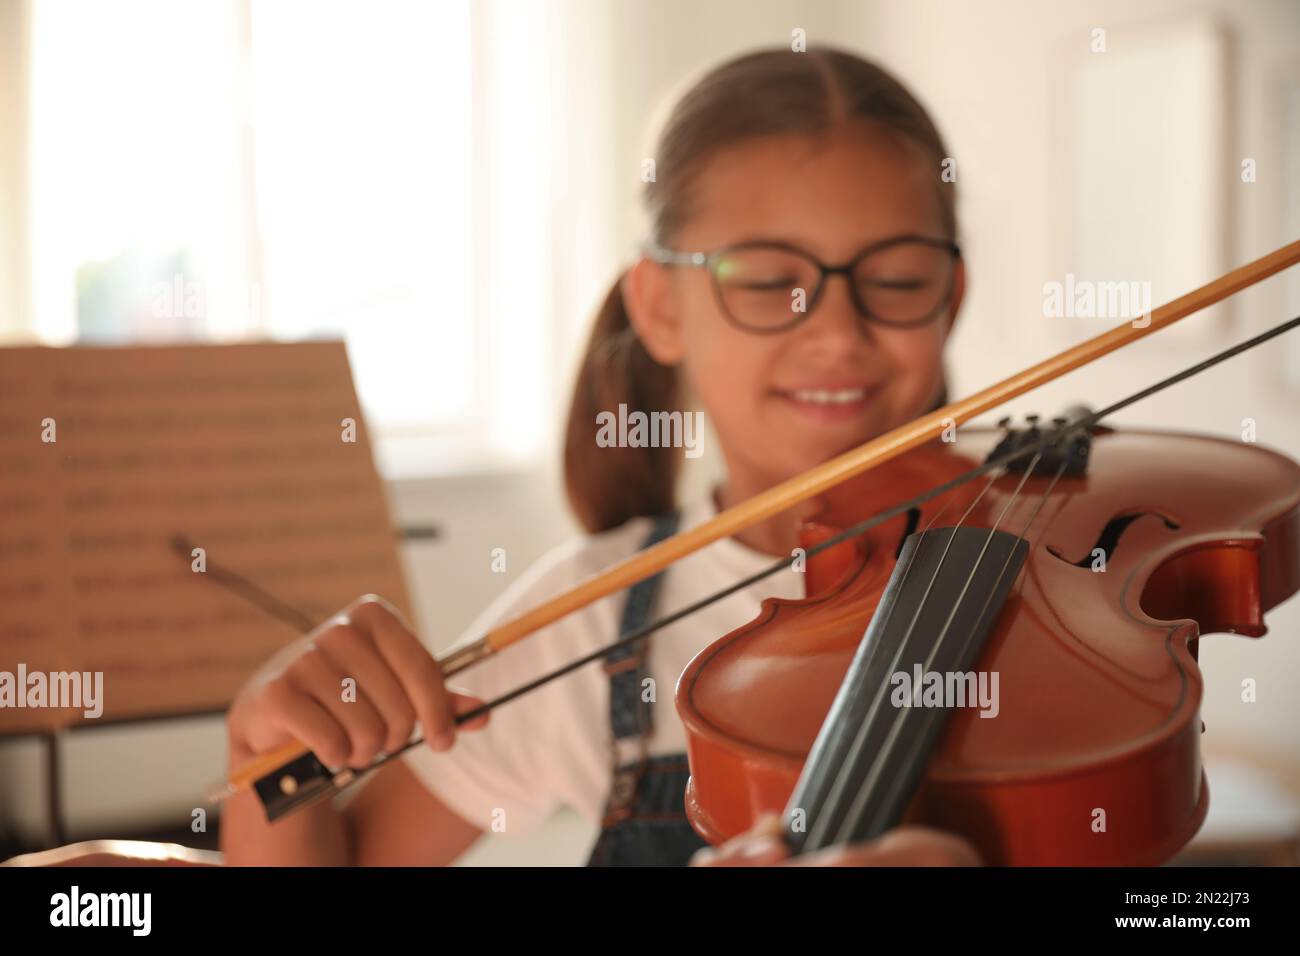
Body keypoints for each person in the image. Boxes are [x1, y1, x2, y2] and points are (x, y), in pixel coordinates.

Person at [221, 45, 979, 867]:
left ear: (953, 297)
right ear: (659, 308)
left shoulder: (1090, 584)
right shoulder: (594, 620)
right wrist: (264, 750)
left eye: (899, 278)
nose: (837, 331)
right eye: (768, 282)